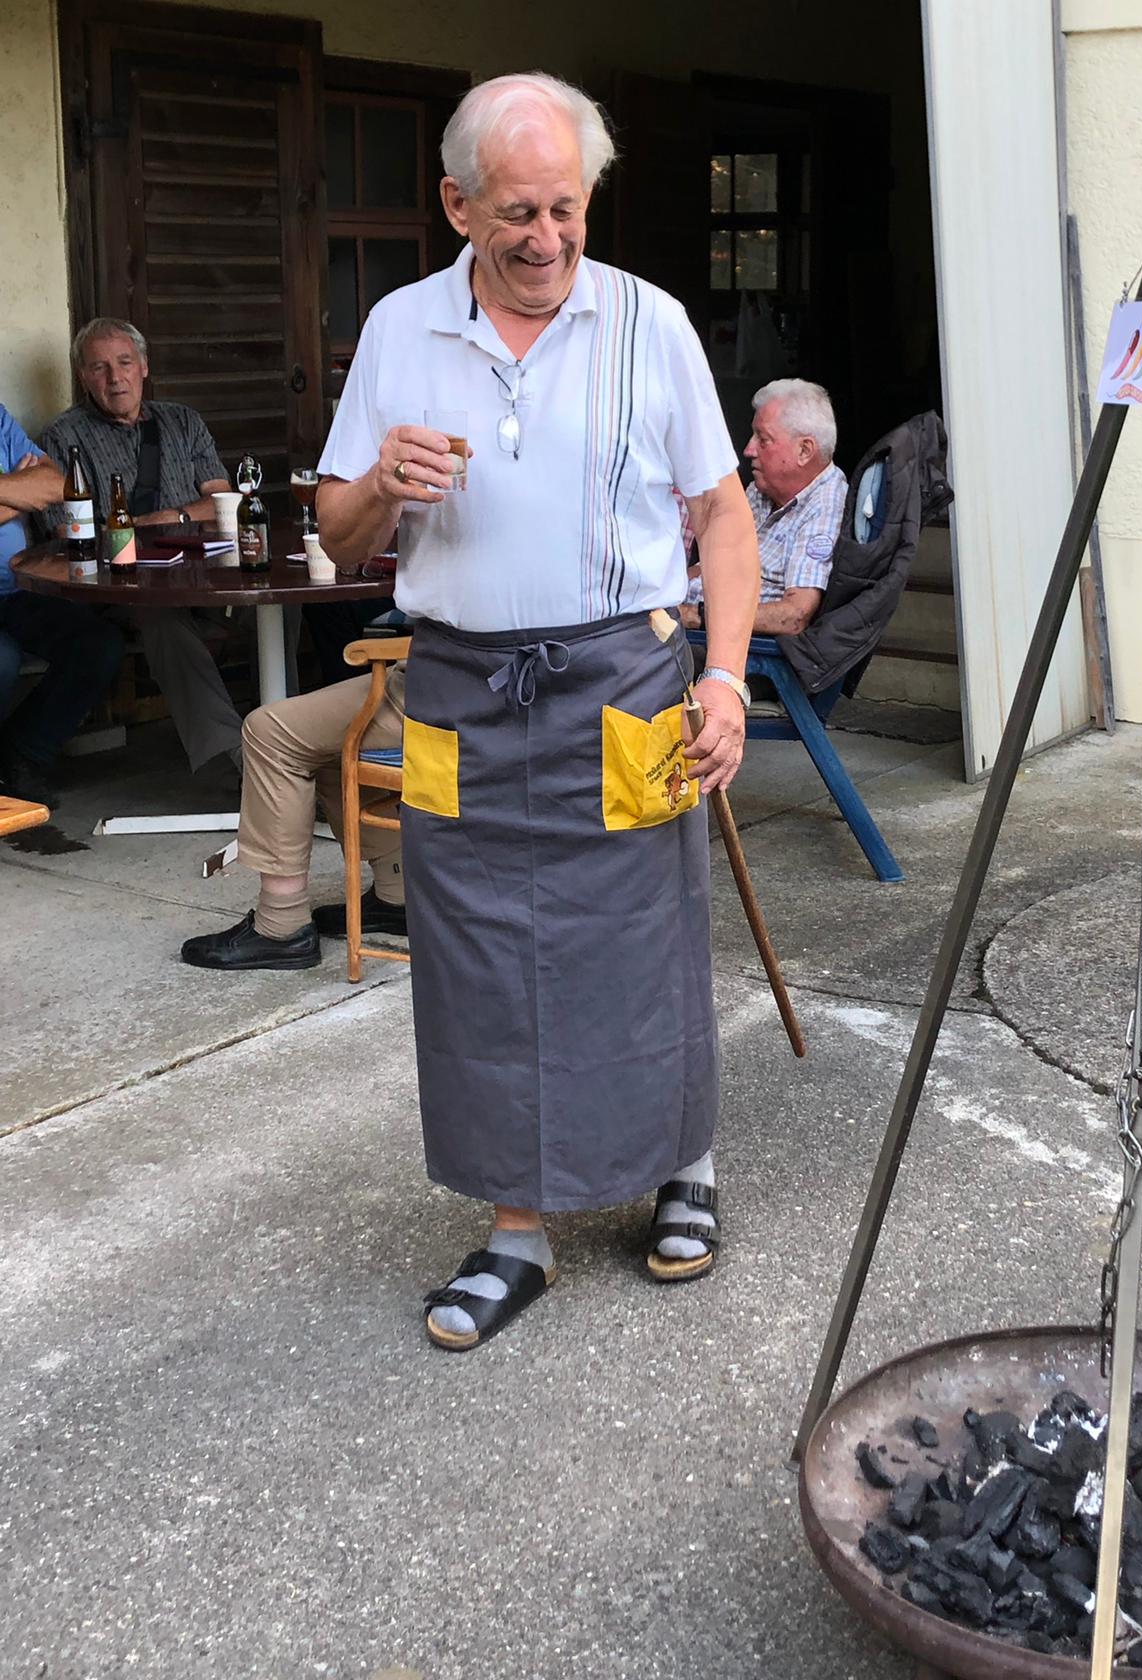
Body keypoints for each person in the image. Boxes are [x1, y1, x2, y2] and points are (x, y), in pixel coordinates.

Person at [316, 72, 759, 1352]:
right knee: (477, 959)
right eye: (517, 211)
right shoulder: (402, 330)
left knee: (644, 940)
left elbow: (723, 515)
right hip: (458, 688)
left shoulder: (649, 323)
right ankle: (518, 1232)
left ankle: (685, 1165)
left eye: (566, 207)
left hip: (624, 678)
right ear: (458, 204)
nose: (547, 238)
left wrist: (723, 676)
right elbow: (337, 526)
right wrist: (377, 492)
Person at [41, 320, 246, 777]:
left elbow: (222, 500)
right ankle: (234, 758)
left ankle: (288, 735)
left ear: (144, 367)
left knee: (279, 604)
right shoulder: (62, 438)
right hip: (123, 585)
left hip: (207, 569)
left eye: (124, 363)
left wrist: (163, 519)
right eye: (99, 367)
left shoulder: (182, 421)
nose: (115, 378)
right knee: (159, 616)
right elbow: (65, 530)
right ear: (83, 377)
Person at [178, 666, 407, 971]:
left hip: (448, 689)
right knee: (322, 735)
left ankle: (281, 926)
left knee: (268, 733)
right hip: (473, 690)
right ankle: (397, 893)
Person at [0, 406, 126, 803]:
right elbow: (35, 491)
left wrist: (31, 488)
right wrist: (19, 490)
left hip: (14, 588)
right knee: (1, 660)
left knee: (99, 645)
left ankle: (21, 755)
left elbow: (57, 482)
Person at [680, 378, 847, 635]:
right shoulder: (762, 489)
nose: (748, 450)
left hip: (721, 645)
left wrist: (694, 615)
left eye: (763, 439)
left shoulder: (825, 504)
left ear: (804, 450)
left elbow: (793, 616)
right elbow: (709, 565)